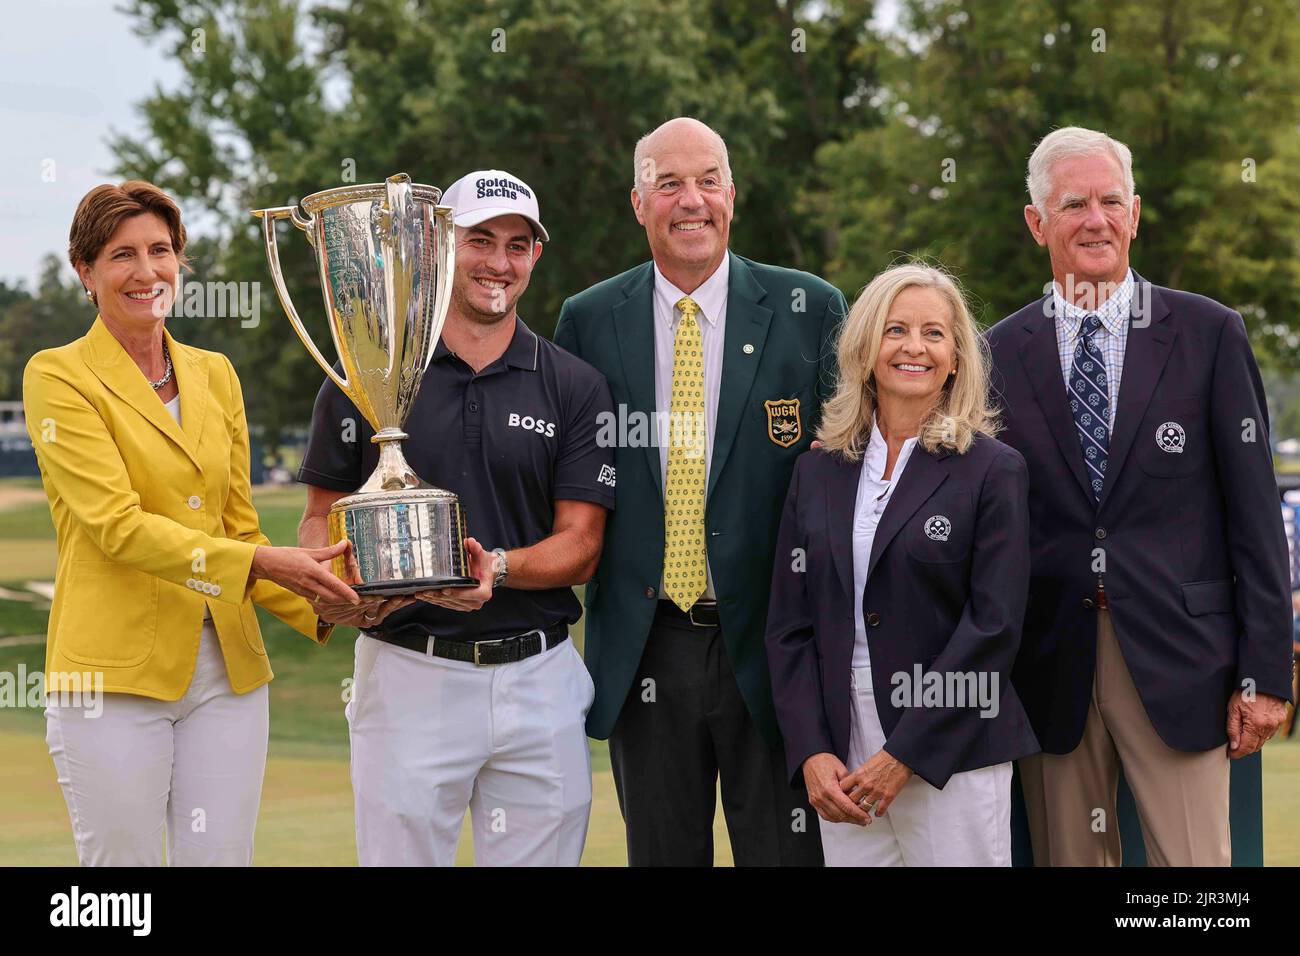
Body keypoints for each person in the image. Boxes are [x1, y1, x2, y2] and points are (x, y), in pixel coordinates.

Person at [23, 180, 357, 867]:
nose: (147, 272)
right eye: (122, 255)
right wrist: (264, 565)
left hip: (229, 677)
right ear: (85, 271)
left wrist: (332, 599)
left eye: (161, 250)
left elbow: (238, 529)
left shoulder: (215, 374)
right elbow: (117, 526)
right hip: (112, 680)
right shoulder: (57, 377)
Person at [986, 126, 1294, 866]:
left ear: (1135, 214)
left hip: (1185, 660)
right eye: (1073, 205)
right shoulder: (995, 351)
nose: (1095, 218)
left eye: (1110, 201)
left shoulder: (1209, 333)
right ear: (1036, 223)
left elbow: (1255, 519)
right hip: (1050, 665)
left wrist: (1265, 673)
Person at [298, 169, 614, 867]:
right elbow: (319, 519)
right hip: (410, 672)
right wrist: (343, 593)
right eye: (480, 240)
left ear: (535, 256)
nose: (500, 262)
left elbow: (582, 544)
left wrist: (496, 570)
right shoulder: (363, 369)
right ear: (438, 245)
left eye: (518, 245)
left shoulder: (574, 384)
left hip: (539, 677)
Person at [553, 117, 842, 866]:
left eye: (708, 180)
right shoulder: (586, 321)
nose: (692, 200)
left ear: (733, 196)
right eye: (669, 183)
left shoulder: (810, 309)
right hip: (647, 650)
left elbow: (851, 477)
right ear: (637, 202)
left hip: (775, 650)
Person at [765, 263, 1038, 866]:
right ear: (866, 348)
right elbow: (788, 627)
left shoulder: (994, 470)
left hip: (952, 746)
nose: (915, 347)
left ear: (958, 357)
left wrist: (905, 753)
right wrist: (811, 750)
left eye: (935, 334)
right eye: (896, 330)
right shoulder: (817, 471)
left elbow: (992, 629)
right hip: (841, 752)